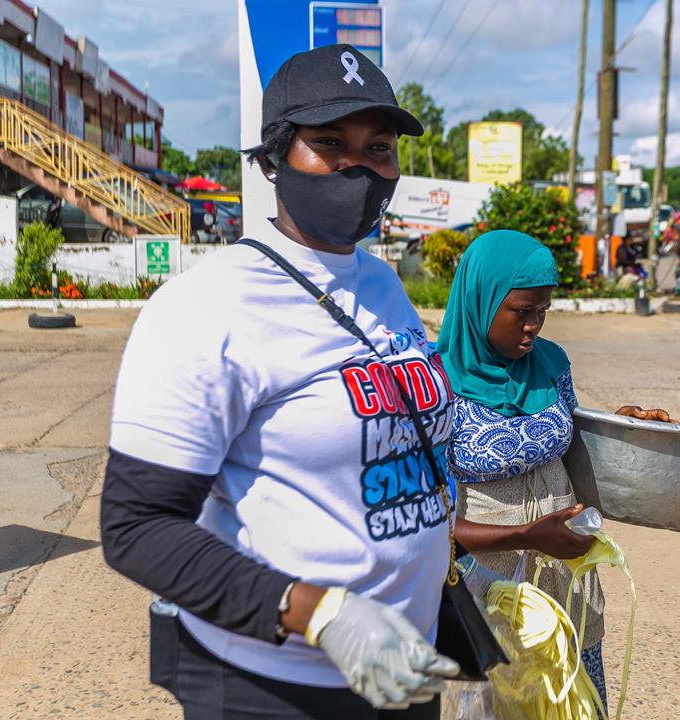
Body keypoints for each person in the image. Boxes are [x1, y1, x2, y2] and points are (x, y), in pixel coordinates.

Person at [100, 44, 462, 718]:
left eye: (378, 147)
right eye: (330, 143)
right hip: (273, 686)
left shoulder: (382, 283)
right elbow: (137, 527)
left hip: (404, 669)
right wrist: (321, 614)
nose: (359, 166)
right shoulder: (208, 306)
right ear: (273, 160)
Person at [437, 230, 674, 706]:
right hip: (486, 588)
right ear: (481, 299)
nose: (534, 327)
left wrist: (621, 429)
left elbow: (569, 443)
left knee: (573, 701)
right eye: (521, 312)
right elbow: (434, 528)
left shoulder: (551, 362)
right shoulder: (434, 381)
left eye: (542, 312)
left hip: (566, 575)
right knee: (501, 703)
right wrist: (526, 535)